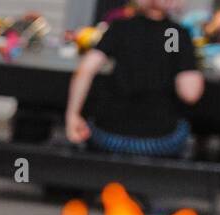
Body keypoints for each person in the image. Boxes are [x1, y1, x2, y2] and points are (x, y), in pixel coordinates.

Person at [66, 0, 205, 157]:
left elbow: (85, 70)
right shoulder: (173, 34)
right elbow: (190, 93)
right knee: (184, 129)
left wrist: (72, 116)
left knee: (94, 121)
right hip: (158, 139)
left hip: (109, 134)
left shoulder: (121, 27)